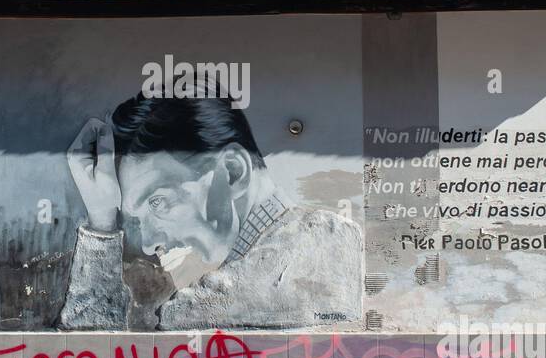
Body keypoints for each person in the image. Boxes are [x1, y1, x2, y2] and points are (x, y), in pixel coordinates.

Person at [60, 90, 362, 330]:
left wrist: (102, 230)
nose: (151, 243)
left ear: (232, 172)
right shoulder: (281, 252)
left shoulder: (325, 246)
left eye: (158, 202)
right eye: (139, 219)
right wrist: (102, 219)